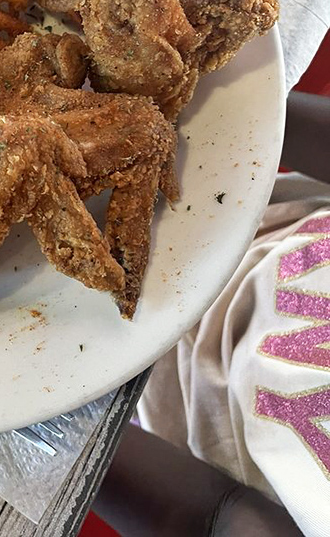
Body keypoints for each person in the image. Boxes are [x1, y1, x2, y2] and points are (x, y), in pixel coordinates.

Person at [94, 91, 330, 537]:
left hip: (149, 411)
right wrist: (239, 110)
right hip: (244, 209)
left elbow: (215, 515)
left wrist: (68, 432)